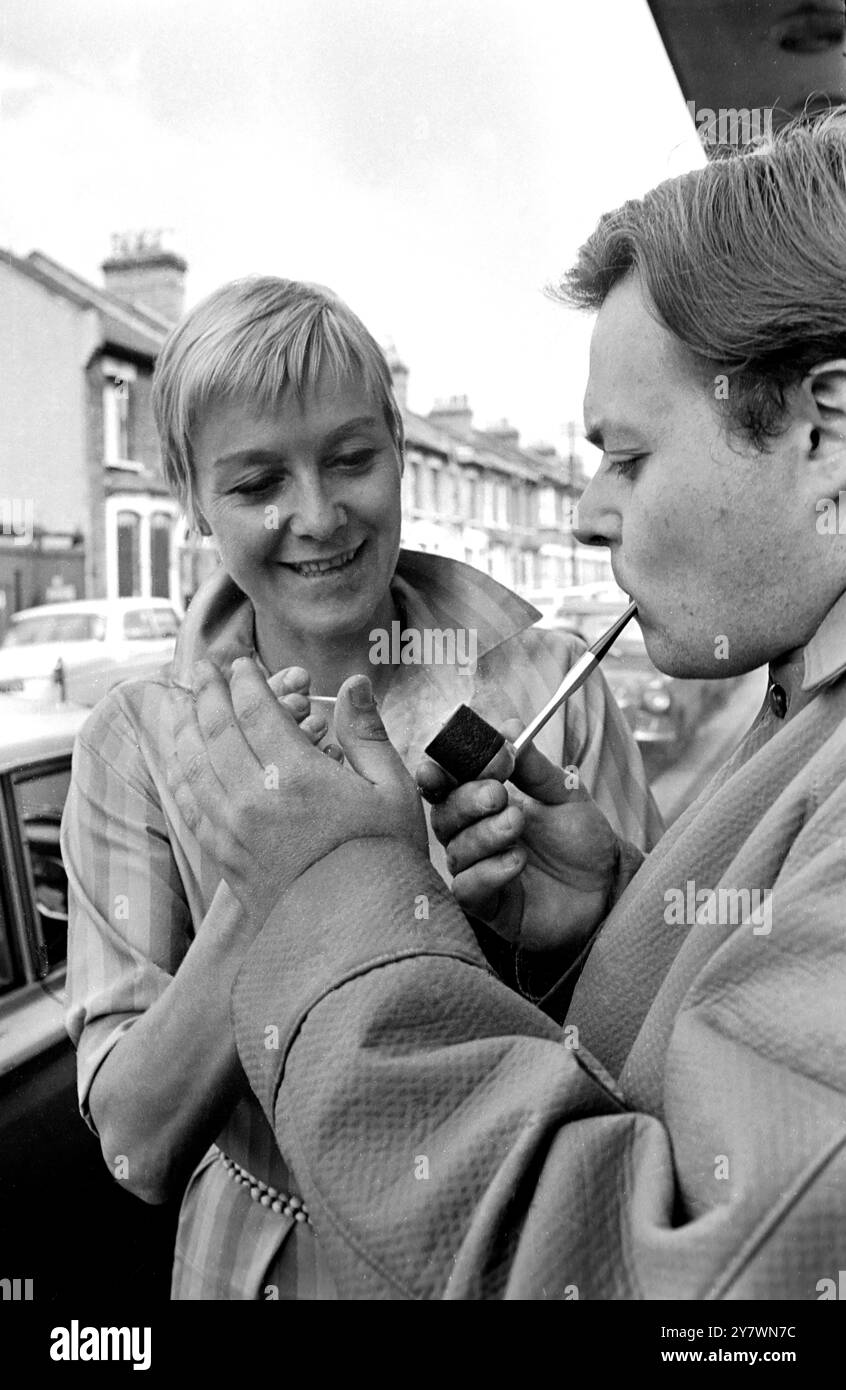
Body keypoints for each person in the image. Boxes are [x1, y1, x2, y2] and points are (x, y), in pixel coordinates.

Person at [173, 109, 846, 1298]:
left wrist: (342, 904)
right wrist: (612, 921)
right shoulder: (807, 703)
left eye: (628, 456)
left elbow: (688, 1290)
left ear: (826, 430)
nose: (588, 510)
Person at [61, 276, 659, 1300]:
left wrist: (579, 931)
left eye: (351, 459)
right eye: (256, 484)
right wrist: (284, 874)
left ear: (396, 448)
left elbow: (664, 1050)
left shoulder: (544, 683)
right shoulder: (134, 741)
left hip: (515, 1249)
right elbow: (137, 1144)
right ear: (188, 498)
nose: (320, 514)